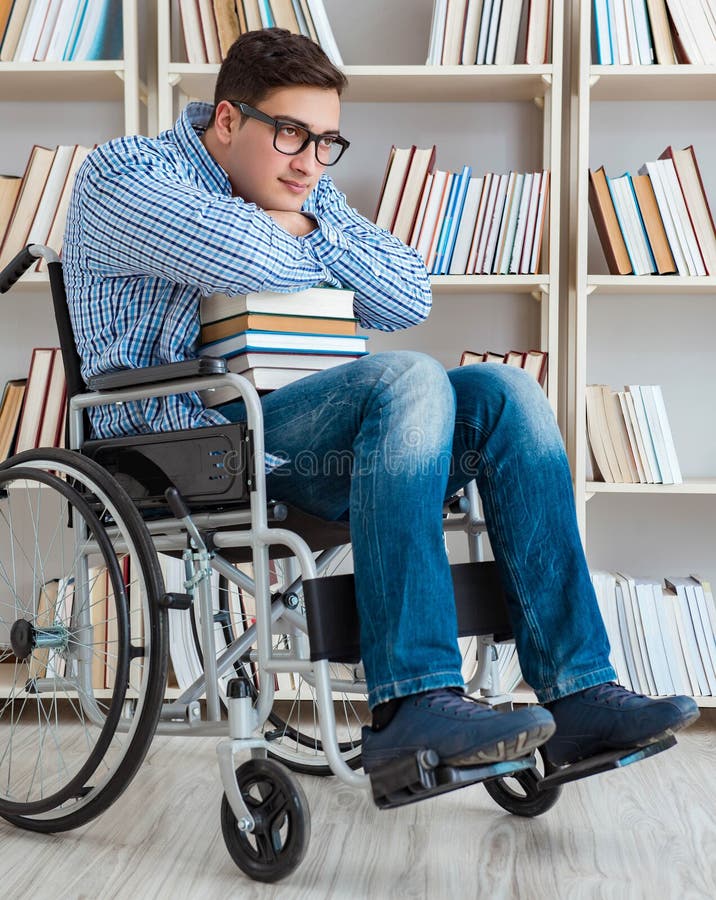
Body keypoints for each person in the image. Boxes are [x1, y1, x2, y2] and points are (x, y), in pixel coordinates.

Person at [63, 28, 698, 774]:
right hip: (184, 438)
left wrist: (300, 220)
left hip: (304, 425)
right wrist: (314, 234)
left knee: (505, 391)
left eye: (327, 142)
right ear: (228, 120)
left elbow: (406, 292)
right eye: (292, 134)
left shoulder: (306, 192)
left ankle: (579, 691)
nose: (309, 164)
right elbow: (246, 256)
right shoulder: (126, 171)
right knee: (407, 378)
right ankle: (413, 701)